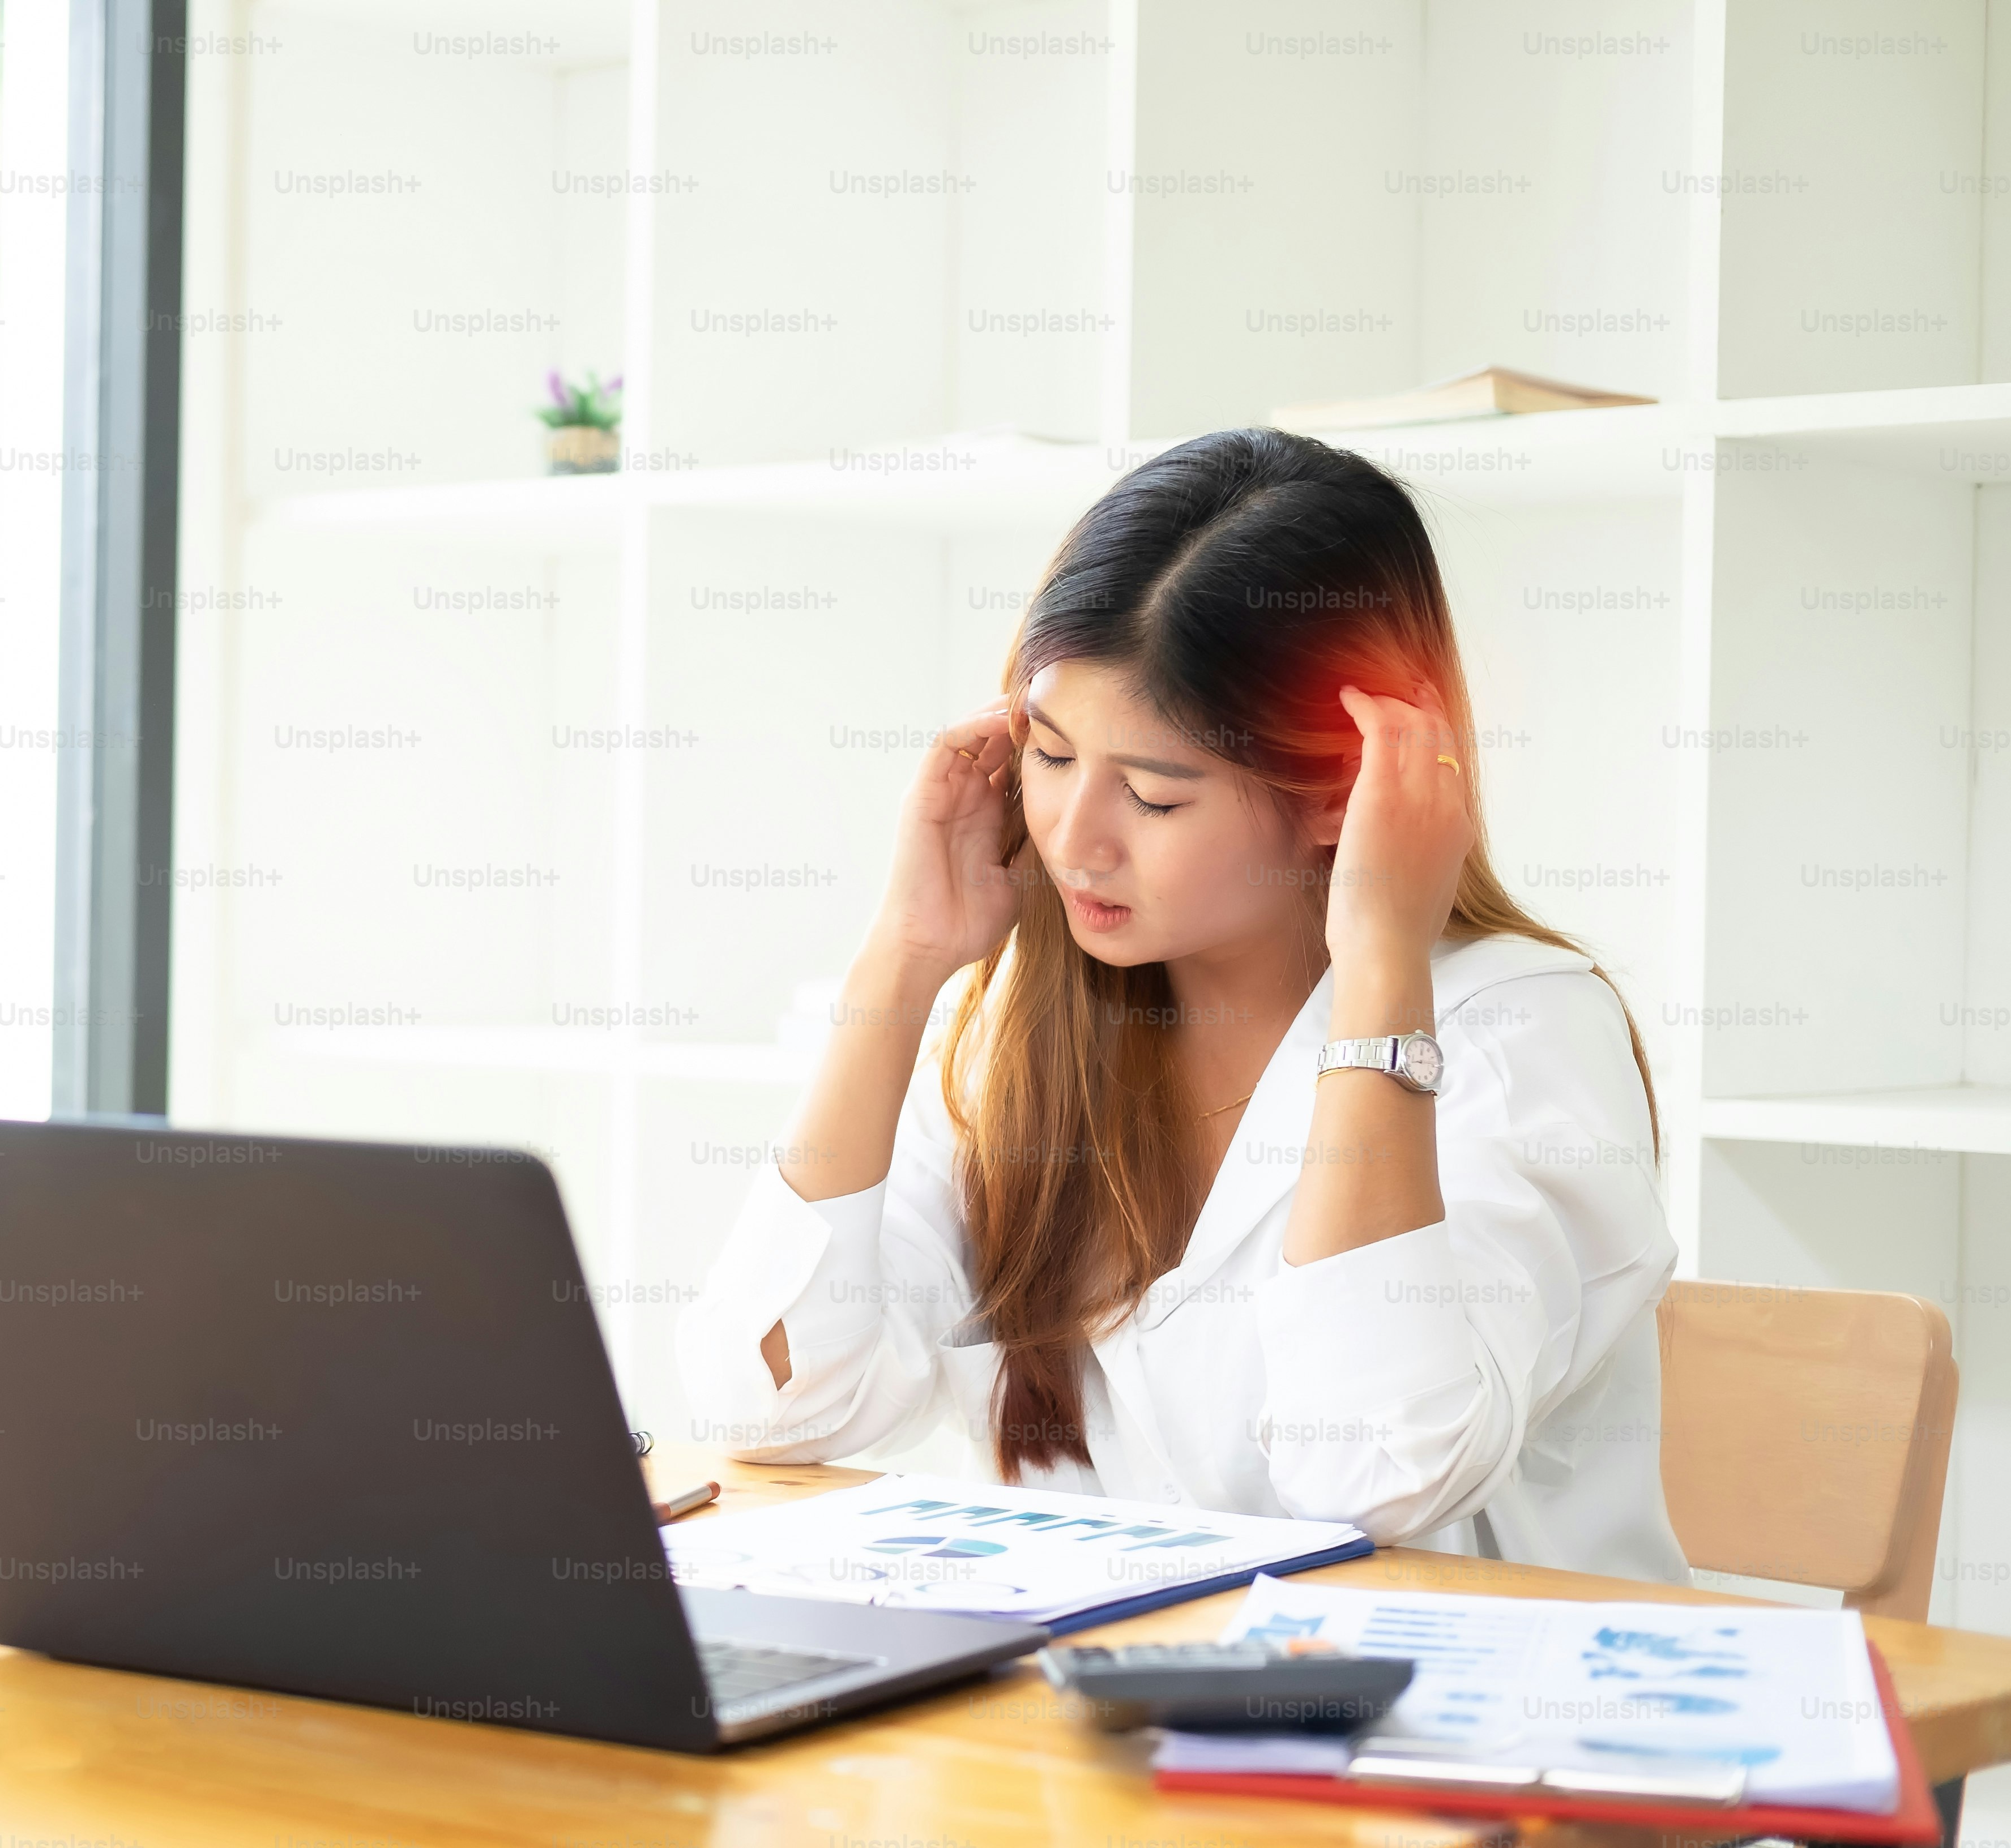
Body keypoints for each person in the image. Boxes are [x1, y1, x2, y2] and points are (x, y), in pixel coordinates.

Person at [678, 427, 1686, 1580]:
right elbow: (777, 1405)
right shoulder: (1020, 1034)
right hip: (1088, 1723)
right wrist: (903, 962)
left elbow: (1377, 1474)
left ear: (1338, 793)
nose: (1073, 840)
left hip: (1454, 1732)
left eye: (1156, 795)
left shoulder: (1521, 1033)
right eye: (1051, 758)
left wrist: (1377, 970)